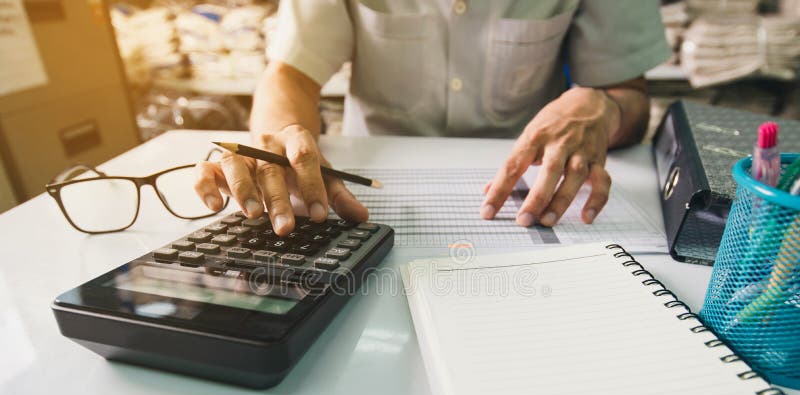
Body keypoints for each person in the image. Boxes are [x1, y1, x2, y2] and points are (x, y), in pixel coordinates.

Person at [194, 0, 670, 235]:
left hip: (529, 197)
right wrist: (283, 137)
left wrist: (602, 107)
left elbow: (628, 94)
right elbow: (291, 76)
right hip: (367, 196)